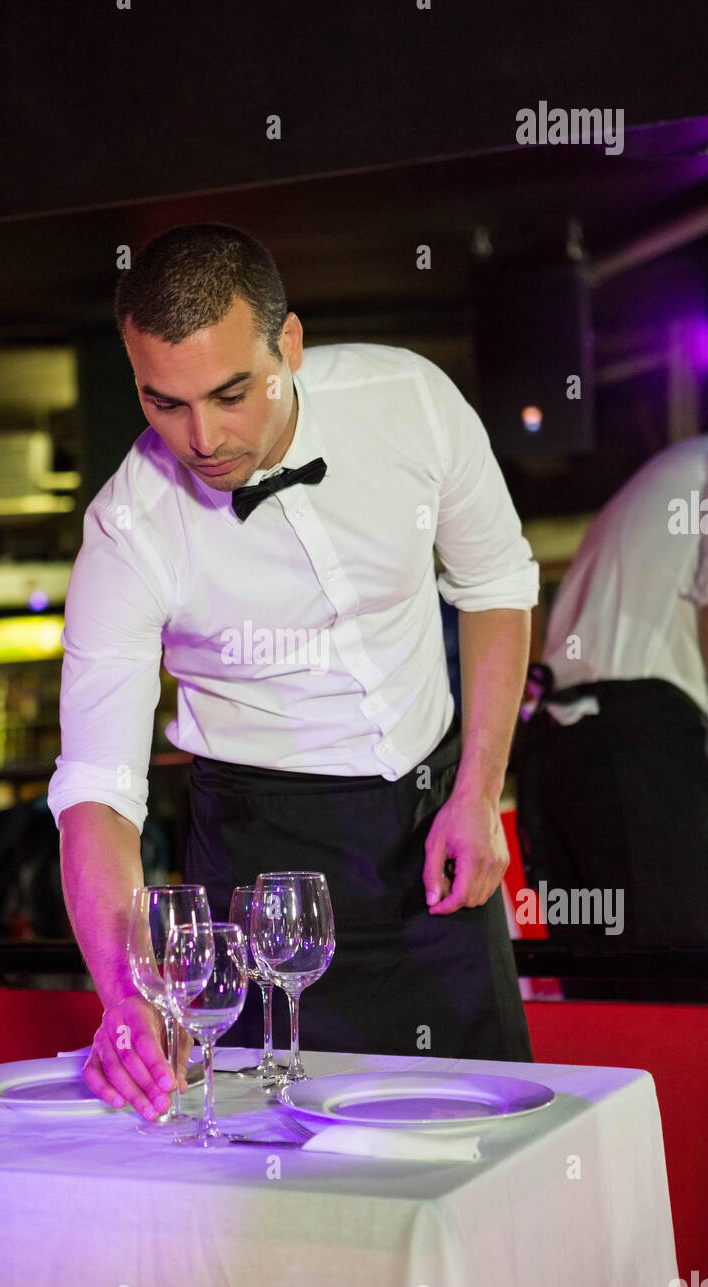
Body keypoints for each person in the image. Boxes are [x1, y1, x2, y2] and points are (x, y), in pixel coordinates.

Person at [48, 223, 539, 1118]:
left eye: (231, 394)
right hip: (263, 868)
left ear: (291, 345)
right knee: (279, 1180)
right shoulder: (129, 530)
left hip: (439, 831)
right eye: (164, 403)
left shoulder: (411, 401)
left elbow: (496, 582)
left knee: (486, 1142)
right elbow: (97, 789)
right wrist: (124, 991)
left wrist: (480, 789)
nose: (202, 437)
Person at [515, 433, 708, 998]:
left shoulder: (678, 466)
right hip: (637, 743)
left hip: (570, 747)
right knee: (678, 992)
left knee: (605, 995)